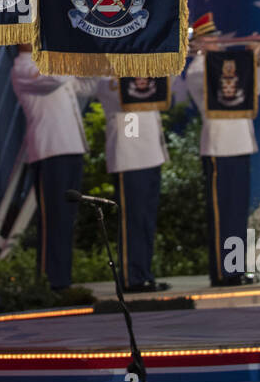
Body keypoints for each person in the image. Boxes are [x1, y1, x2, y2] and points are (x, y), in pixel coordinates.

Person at [184, 13, 260, 286]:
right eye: (211, 39)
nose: (218, 42)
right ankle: (222, 272)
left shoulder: (231, 66)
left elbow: (254, 90)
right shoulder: (198, 70)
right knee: (222, 213)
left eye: (217, 38)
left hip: (241, 144)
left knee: (238, 212)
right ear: (199, 43)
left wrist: (257, 62)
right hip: (219, 147)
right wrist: (246, 58)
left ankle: (235, 268)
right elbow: (217, 82)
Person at [10, 45, 97, 291]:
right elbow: (56, 79)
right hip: (49, 151)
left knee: (66, 220)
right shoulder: (23, 67)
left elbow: (87, 86)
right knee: (53, 220)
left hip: (71, 148)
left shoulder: (52, 64)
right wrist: (74, 52)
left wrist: (99, 60)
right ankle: (50, 282)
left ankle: (62, 280)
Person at [95, 76, 172, 293]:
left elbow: (165, 85)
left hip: (152, 152)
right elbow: (116, 94)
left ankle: (144, 274)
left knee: (146, 221)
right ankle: (132, 277)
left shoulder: (146, 66)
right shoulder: (108, 73)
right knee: (133, 221)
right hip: (129, 153)